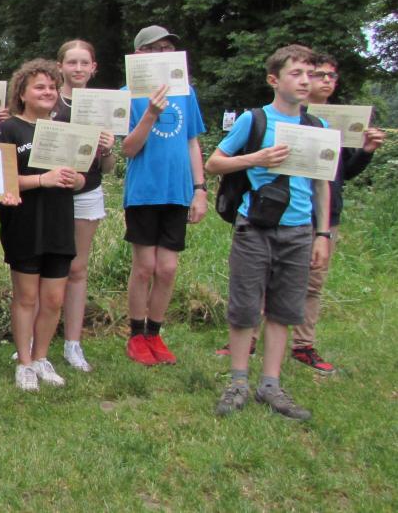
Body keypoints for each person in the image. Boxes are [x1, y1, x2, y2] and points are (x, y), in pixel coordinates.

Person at [207, 45, 330, 421]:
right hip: (255, 226)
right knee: (245, 305)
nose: (306, 81)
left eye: (310, 73)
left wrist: (322, 233)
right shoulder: (254, 119)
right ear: (274, 80)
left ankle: (271, 385)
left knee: (284, 309)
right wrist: (256, 159)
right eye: (297, 73)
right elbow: (214, 162)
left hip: (298, 230)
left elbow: (322, 184)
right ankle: (239, 381)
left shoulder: (317, 127)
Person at [287, 53, 385, 372]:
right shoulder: (287, 114)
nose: (327, 80)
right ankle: (245, 340)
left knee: (314, 282)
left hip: (327, 214)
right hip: (288, 208)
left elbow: (343, 173)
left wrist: (367, 151)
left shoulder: (341, 121)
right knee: (269, 277)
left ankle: (303, 345)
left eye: (332, 76)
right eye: (319, 74)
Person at [121, 25, 207, 366]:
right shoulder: (127, 93)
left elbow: (192, 142)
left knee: (167, 268)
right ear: (140, 55)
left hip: (178, 191)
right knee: (144, 267)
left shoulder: (185, 91)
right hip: (144, 192)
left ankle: (155, 334)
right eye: (155, 49)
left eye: (168, 48)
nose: (163, 54)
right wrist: (151, 113)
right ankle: (135, 335)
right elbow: (128, 149)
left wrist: (199, 191)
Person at [0, 60, 83, 391]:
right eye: (39, 87)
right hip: (24, 223)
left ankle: (42, 356)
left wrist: (75, 178)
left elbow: (79, 178)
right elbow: (2, 180)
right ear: (22, 92)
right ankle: (24, 362)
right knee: (27, 296)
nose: (47, 92)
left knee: (53, 299)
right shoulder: (9, 130)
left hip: (60, 223)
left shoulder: (65, 130)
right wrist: (42, 180)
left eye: (52, 87)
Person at [52, 40, 117, 372]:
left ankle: (73, 344)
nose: (78, 69)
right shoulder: (51, 101)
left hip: (87, 193)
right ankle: (34, 339)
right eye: (71, 62)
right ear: (60, 65)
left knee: (77, 269)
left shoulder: (103, 107)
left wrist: (107, 149)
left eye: (84, 63)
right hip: (49, 194)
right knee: (44, 269)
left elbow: (108, 169)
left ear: (94, 68)